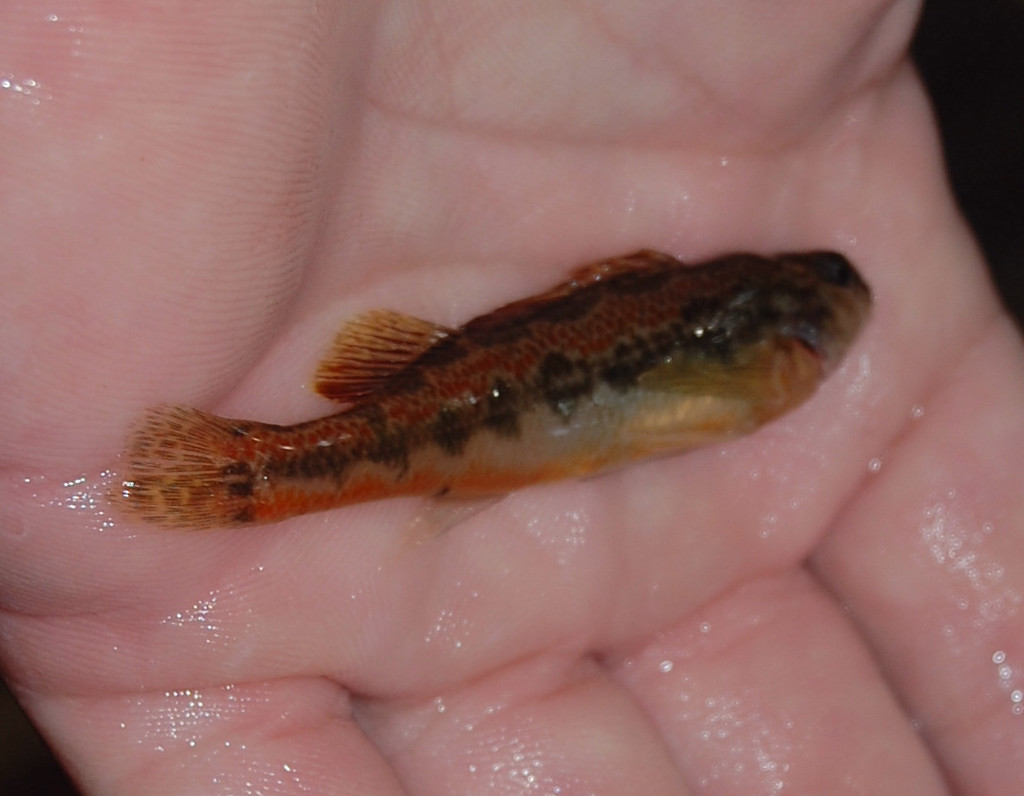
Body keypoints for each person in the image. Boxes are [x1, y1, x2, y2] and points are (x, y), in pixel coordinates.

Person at [2, 2, 1021, 792]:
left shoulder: (748, 344)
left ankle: (259, 473)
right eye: (829, 302)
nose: (839, 315)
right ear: (785, 328)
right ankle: (257, 471)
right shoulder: (757, 356)